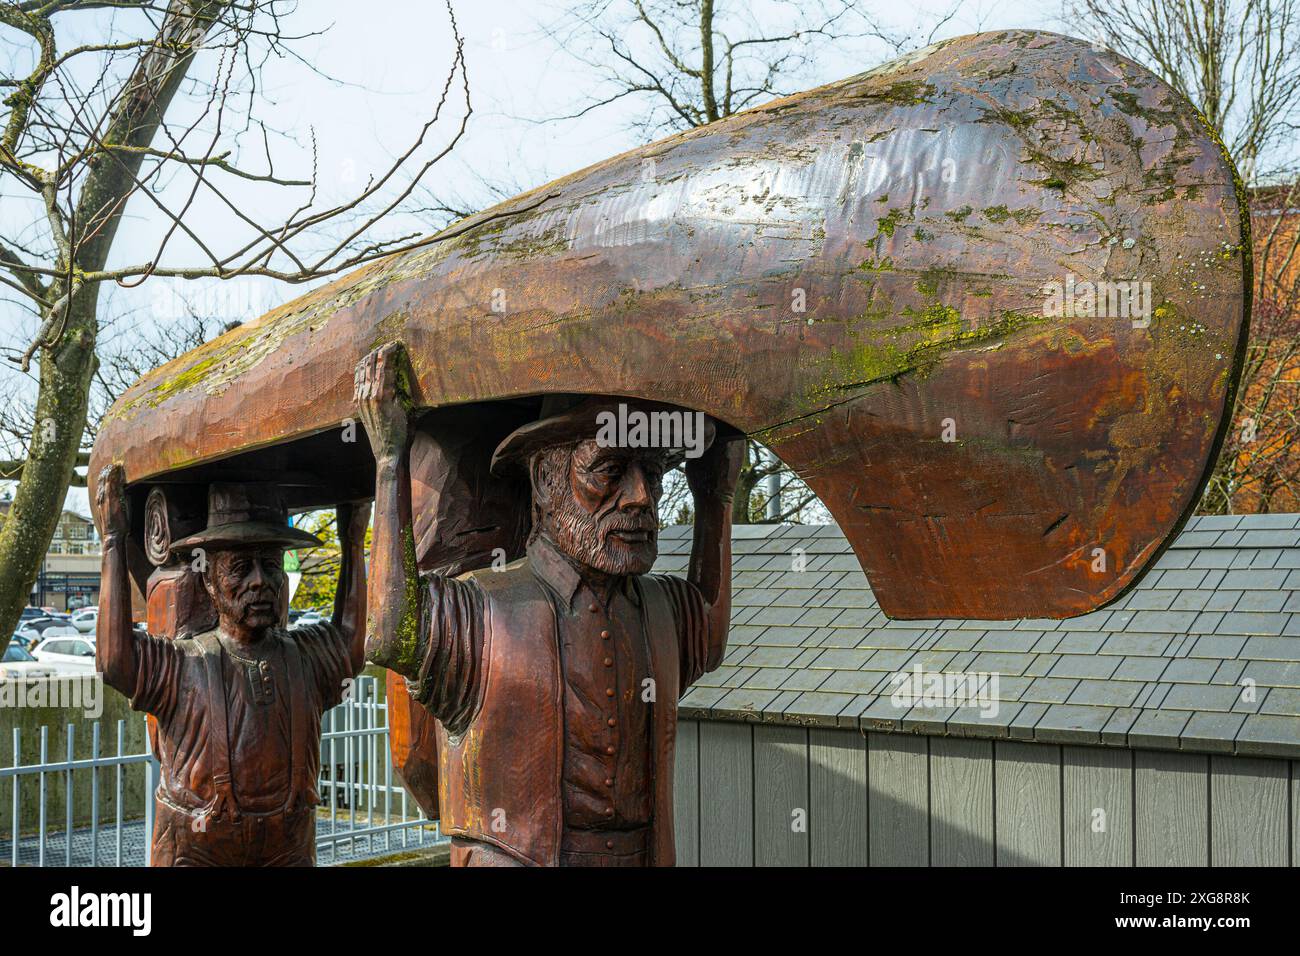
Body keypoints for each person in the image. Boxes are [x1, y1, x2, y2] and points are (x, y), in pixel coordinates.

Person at [356, 342, 743, 866]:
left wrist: (716, 498)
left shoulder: (664, 609)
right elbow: (390, 634)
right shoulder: (482, 610)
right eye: (610, 471)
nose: (640, 498)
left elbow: (709, 635)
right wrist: (388, 461)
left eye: (651, 475)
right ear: (544, 480)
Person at [96, 467, 369, 866]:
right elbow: (114, 661)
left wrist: (353, 540)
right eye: (240, 569)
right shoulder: (183, 664)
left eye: (271, 565)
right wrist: (112, 541)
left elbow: (352, 642)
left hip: (287, 847)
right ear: (209, 582)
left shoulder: (306, 657)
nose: (259, 582)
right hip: (196, 850)